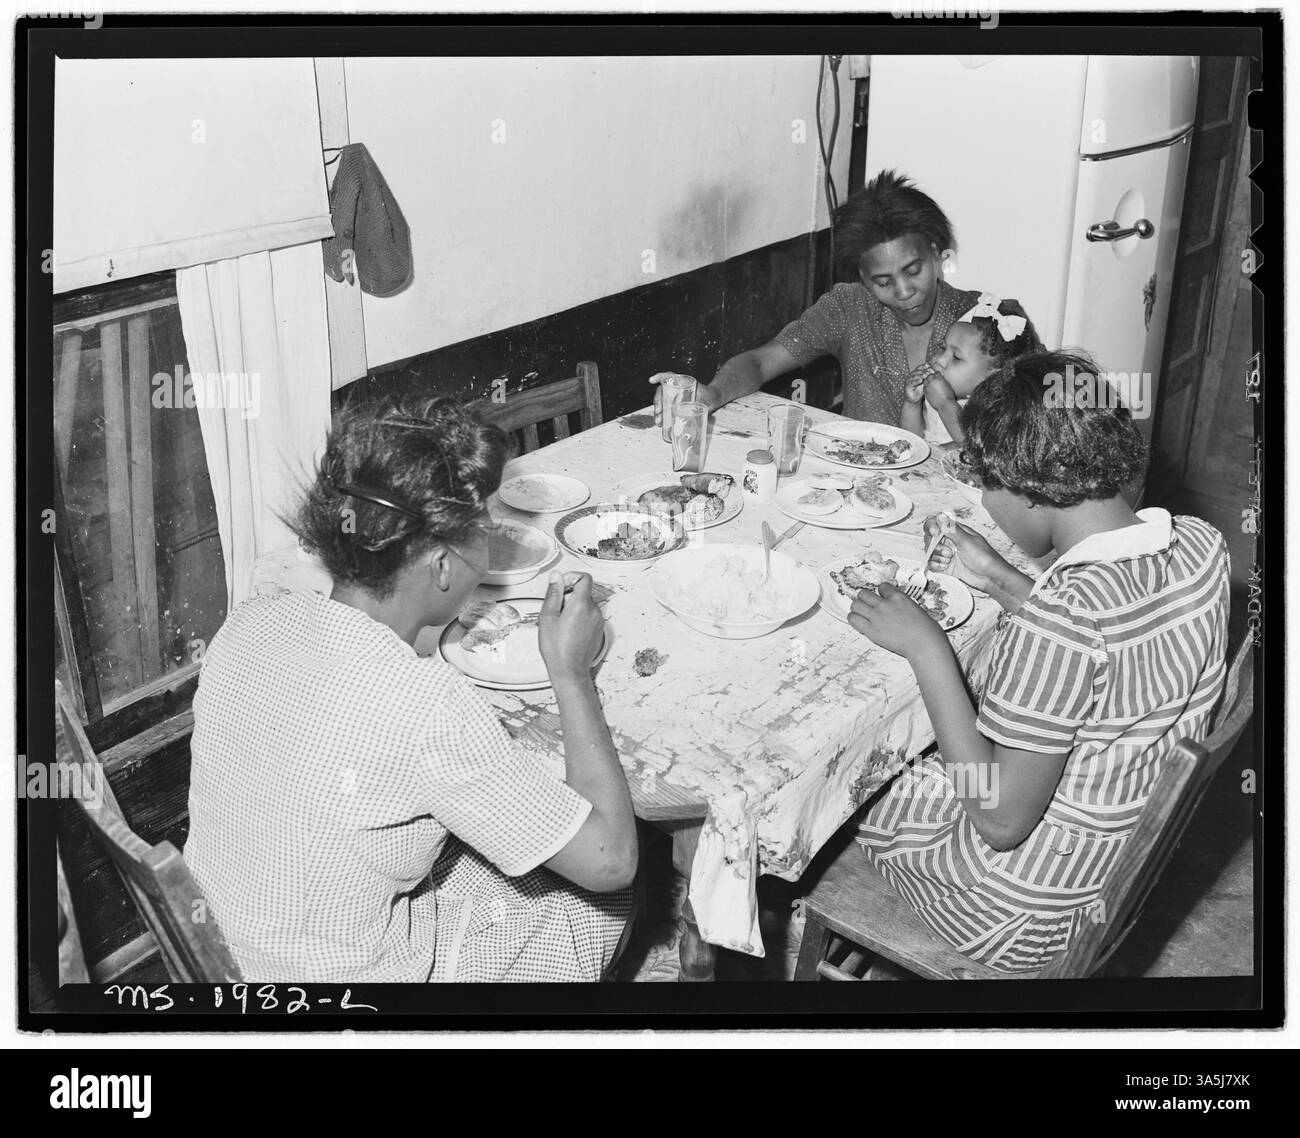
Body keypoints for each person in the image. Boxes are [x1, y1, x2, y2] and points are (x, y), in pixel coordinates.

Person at [184, 394, 637, 983]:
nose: (490, 548)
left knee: (487, 845)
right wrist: (571, 671)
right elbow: (612, 861)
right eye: (484, 532)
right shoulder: (425, 704)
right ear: (444, 567)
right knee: (603, 896)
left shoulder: (253, 618)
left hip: (223, 951)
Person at [845, 352, 1229, 973]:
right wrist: (1003, 580)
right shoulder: (1202, 546)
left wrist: (928, 648)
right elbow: (1109, 646)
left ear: (1026, 492)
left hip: (1017, 914)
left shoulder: (1062, 623)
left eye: (987, 487)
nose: (987, 503)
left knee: (858, 781)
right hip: (1101, 871)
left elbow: (997, 818)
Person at [650, 170, 984, 427]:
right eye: (883, 282)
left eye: (913, 271)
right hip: (860, 491)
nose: (904, 291)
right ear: (864, 280)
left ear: (937, 255)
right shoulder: (849, 308)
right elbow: (761, 361)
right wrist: (712, 393)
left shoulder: (984, 318)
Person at [899, 293, 1042, 447]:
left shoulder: (995, 410)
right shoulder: (937, 391)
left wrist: (946, 404)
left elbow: (976, 451)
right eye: (942, 347)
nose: (940, 360)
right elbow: (911, 442)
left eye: (956, 357)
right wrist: (912, 403)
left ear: (992, 377)